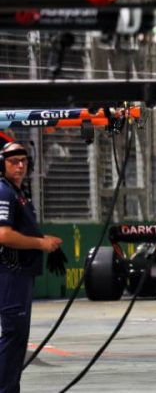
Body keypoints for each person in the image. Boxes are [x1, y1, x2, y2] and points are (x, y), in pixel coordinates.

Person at [0, 142, 63, 392]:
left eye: (24, 160)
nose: (20, 165)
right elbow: (3, 235)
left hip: (21, 275)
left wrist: (46, 244)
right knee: (13, 335)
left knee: (18, 339)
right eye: (13, 161)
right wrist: (40, 243)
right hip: (9, 273)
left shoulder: (19, 193)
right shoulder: (4, 192)